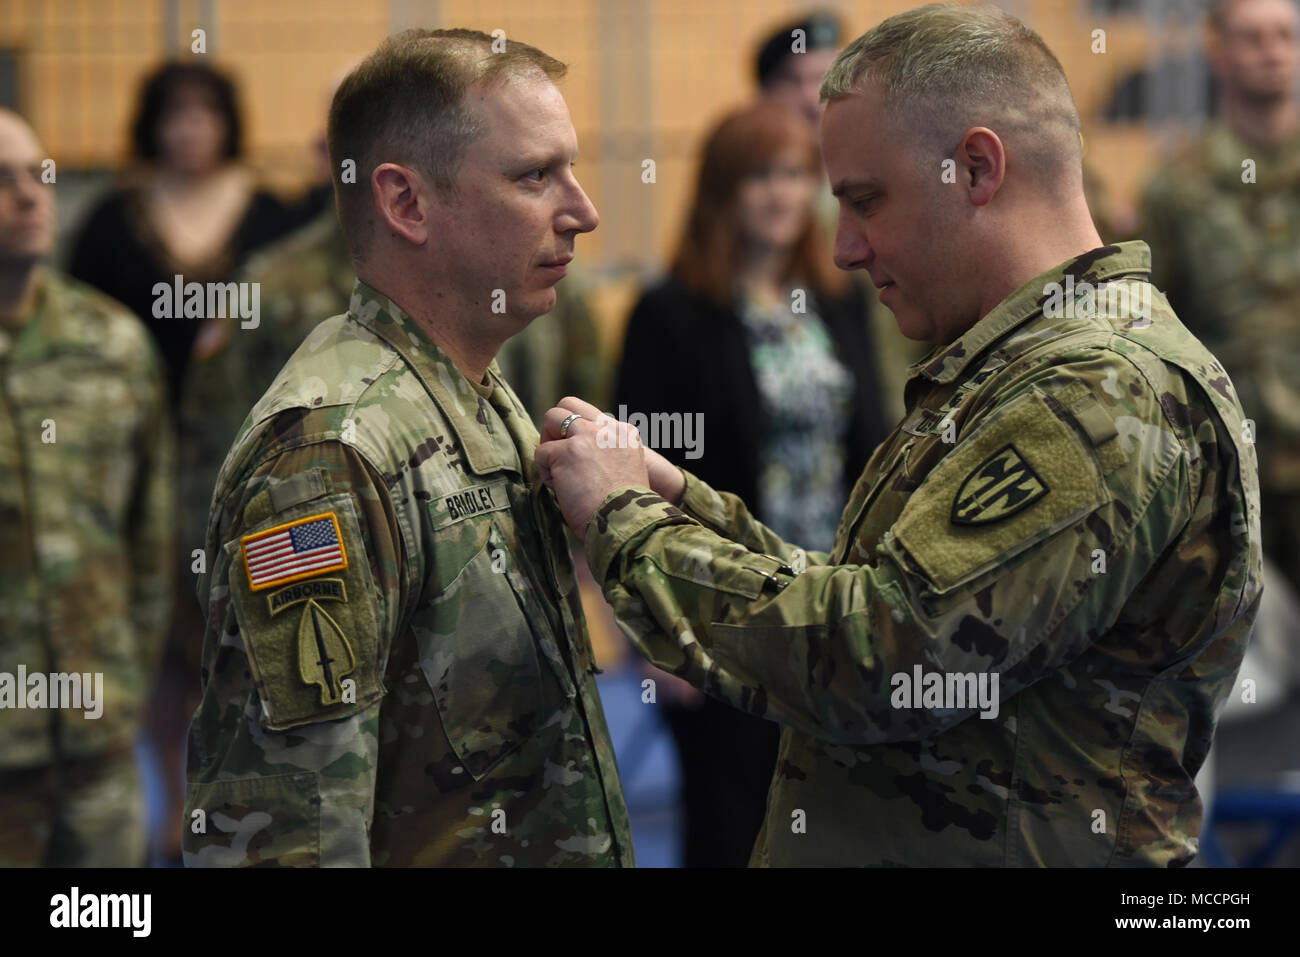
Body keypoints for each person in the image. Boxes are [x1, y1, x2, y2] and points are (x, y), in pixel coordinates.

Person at [536, 3, 1262, 867]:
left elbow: (876, 654)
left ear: (977, 169)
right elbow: (883, 591)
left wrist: (627, 526)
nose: (842, 248)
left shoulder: (1096, 393)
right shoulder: (1025, 366)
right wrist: (682, 503)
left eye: (866, 201)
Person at [183, 28, 633, 867]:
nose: (583, 210)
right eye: (535, 175)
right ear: (407, 204)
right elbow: (292, 836)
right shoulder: (326, 456)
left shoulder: (475, 390)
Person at [616, 101, 888, 866]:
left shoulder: (837, 301)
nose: (781, 194)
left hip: (833, 604)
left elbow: (871, 436)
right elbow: (634, 488)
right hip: (722, 611)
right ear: (722, 191)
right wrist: (652, 640)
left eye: (798, 175)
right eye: (760, 176)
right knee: (730, 827)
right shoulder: (669, 314)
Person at [0, 109, 174, 866]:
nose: (30, 196)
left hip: (99, 743)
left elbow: (151, 535)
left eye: (38, 175)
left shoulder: (112, 343)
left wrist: (125, 678)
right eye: (1, 181)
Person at [1140, 0, 1300, 594]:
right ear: (1217, 51)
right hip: (1236, 474)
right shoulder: (1177, 190)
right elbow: (1156, 335)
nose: (1272, 51)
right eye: (1253, 37)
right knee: (1249, 663)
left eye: (1284, 35)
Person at [68, 61, 309, 402]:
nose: (193, 124)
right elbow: (80, 313)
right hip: (137, 402)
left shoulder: (273, 214)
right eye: (176, 110)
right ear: (152, 122)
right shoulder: (112, 219)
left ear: (229, 120)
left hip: (256, 406)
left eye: (208, 109)